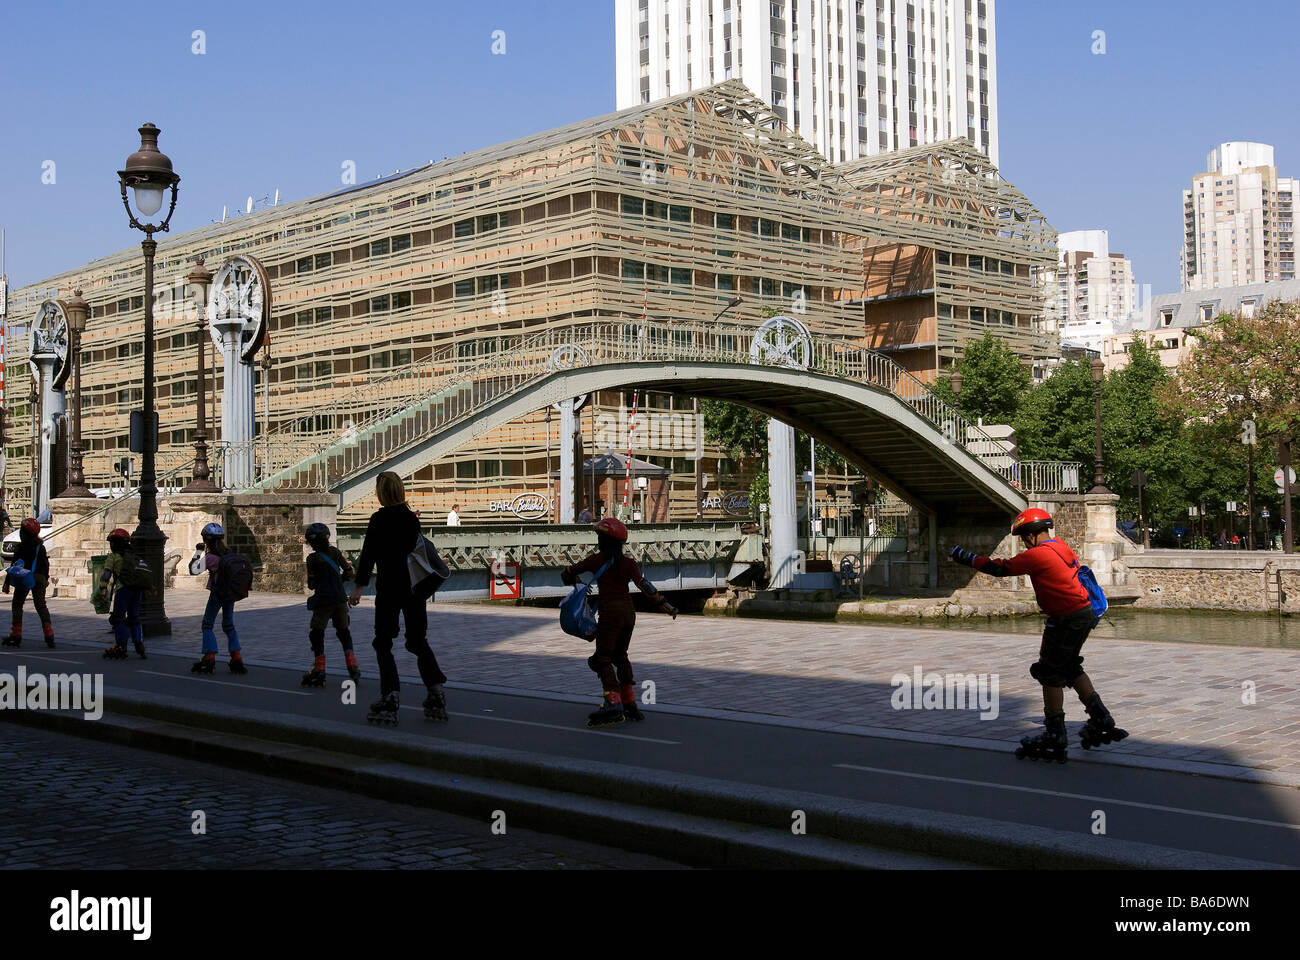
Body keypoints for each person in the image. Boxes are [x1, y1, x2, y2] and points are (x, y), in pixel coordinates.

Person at [950, 508, 1127, 762]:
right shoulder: (1059, 547)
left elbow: (1000, 568)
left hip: (1065, 617)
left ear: (1033, 535)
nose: (1024, 542)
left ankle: (1055, 734)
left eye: (1024, 537)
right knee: (1070, 667)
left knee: (1050, 673)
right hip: (1082, 614)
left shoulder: (1039, 555)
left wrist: (967, 558)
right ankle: (1101, 717)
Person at [349, 472, 449, 725]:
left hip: (389, 589)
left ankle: (390, 694)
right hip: (414, 589)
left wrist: (359, 587)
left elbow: (368, 554)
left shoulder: (379, 519)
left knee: (383, 642)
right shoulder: (411, 519)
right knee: (417, 640)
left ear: (381, 492)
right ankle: (435, 691)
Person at [560, 517, 678, 728]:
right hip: (628, 613)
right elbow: (645, 585)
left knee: (601, 659)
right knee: (621, 657)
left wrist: (576, 584)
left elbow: (567, 573)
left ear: (604, 540)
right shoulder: (629, 563)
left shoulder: (596, 560)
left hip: (611, 614)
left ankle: (613, 702)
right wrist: (665, 605)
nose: (597, 540)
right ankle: (630, 702)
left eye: (599, 536)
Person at [301, 522, 361, 687]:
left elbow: (312, 584)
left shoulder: (312, 559)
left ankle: (319, 668)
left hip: (323, 601)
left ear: (311, 542)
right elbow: (349, 571)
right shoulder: (335, 552)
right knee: (343, 632)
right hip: (340, 599)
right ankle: (352, 664)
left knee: (317, 633)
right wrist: (338, 581)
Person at [191, 522, 246, 675]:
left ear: (206, 540)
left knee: (207, 624)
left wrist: (198, 551)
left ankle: (209, 657)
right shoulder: (229, 553)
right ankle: (236, 657)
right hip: (231, 593)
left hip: (217, 593)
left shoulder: (210, 557)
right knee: (228, 624)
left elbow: (193, 570)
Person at [2, 519, 54, 649]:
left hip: (25, 578)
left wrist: (7, 583)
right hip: (40, 578)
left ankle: (16, 633)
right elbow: (45, 565)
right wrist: (45, 578)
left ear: (25, 534)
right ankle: (49, 633)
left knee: (17, 605)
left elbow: (14, 567)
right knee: (41, 606)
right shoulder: (40, 547)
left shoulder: (20, 548)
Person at [97, 528, 148, 659]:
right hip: (137, 590)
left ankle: (121, 645)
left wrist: (103, 588)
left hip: (123, 590)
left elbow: (107, 574)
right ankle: (139, 644)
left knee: (118, 618)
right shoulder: (134, 555)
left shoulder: (113, 557)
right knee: (134, 618)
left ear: (113, 544)